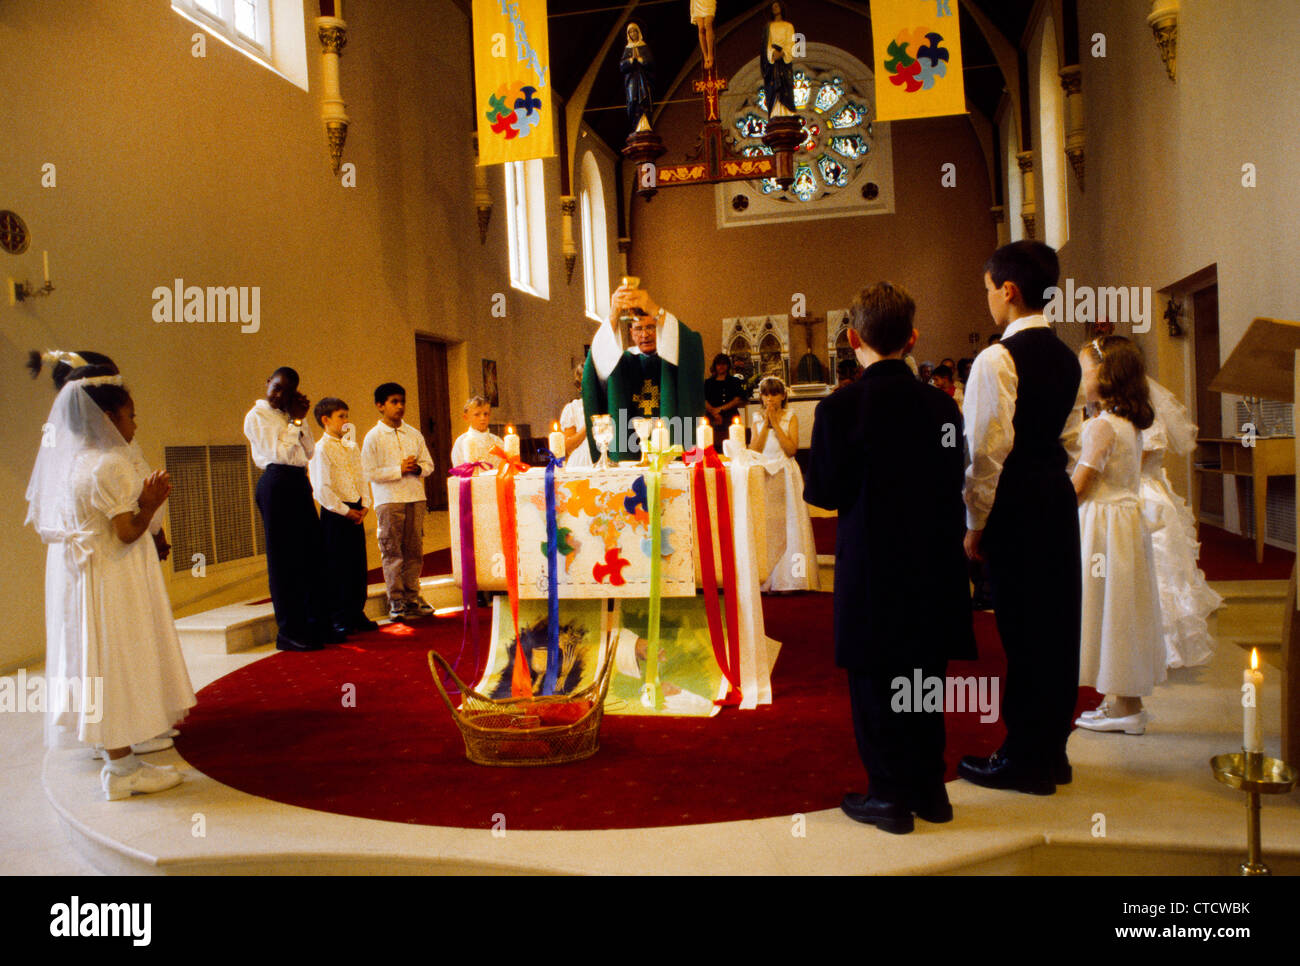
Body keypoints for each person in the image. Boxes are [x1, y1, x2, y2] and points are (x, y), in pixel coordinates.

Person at [805, 281, 974, 834]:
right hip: (932, 564)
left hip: (874, 567)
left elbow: (824, 494)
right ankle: (930, 789)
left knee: (876, 680)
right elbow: (956, 479)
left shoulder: (838, 408)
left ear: (853, 338)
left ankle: (889, 796)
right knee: (925, 674)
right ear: (914, 337)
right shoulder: (943, 406)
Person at [26, 370, 195, 800]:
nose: (134, 425)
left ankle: (118, 756)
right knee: (119, 659)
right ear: (106, 417)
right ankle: (122, 770)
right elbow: (125, 530)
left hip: (88, 578)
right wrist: (152, 502)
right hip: (116, 575)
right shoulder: (110, 463)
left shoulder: (73, 462)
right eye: (130, 416)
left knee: (98, 661)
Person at [959, 241, 1085, 795]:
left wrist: (974, 522)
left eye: (988, 290)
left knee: (1022, 629)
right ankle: (1051, 751)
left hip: (1014, 502)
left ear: (1008, 291)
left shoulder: (997, 359)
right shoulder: (1066, 355)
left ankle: (1024, 758)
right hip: (1055, 497)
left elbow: (986, 450)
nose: (987, 301)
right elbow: (1075, 439)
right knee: (1056, 627)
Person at [1072, 336, 1167, 734]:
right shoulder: (1128, 424)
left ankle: (1125, 708)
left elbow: (1080, 485)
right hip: (1125, 524)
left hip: (1103, 524)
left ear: (1106, 375)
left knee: (1106, 609)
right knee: (1122, 609)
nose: (1080, 377)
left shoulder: (1102, 427)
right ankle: (1125, 701)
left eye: (1085, 369)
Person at [245, 366, 333, 651]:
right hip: (276, 482)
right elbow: (278, 453)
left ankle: (315, 623)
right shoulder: (256, 416)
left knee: (312, 554)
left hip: (297, 482)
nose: (280, 394)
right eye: (277, 387)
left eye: (288, 391)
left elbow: (309, 451)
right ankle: (289, 631)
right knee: (284, 561)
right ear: (268, 382)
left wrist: (299, 420)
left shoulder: (290, 414)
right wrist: (295, 421)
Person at [1136, 376, 1221, 669]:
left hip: (1145, 497)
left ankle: (1162, 649)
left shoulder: (1145, 418)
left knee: (1161, 572)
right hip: (1141, 493)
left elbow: (1135, 464)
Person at [582, 283, 705, 462]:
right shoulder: (622, 362)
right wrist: (614, 314)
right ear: (631, 333)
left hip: (675, 437)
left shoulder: (673, 357)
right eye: (639, 329)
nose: (645, 334)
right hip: (628, 445)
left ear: (660, 329)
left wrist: (654, 309)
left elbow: (690, 349)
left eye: (651, 328)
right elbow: (597, 361)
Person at [362, 382, 435, 622]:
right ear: (380, 406)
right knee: (393, 552)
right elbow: (369, 471)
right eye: (394, 402)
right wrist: (397, 469)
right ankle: (396, 600)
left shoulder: (413, 433)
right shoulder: (373, 437)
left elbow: (429, 465)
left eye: (402, 401)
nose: (400, 406)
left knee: (414, 551)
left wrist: (417, 468)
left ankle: (413, 596)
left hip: (415, 497)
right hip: (389, 500)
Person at [309, 397, 378, 638]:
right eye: (341, 417)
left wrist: (365, 503)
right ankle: (339, 615)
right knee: (337, 566)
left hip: (355, 509)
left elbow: (361, 476)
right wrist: (345, 510)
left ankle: (355, 611)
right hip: (336, 513)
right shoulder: (320, 449)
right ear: (326, 420)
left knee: (356, 565)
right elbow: (321, 488)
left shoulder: (351, 446)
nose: (347, 421)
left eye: (347, 416)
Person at [749, 376, 820, 592]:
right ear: (761, 397)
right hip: (764, 472)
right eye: (766, 394)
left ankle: (792, 579)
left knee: (790, 524)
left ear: (782, 396)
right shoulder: (756, 418)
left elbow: (791, 449)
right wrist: (765, 424)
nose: (770, 398)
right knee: (767, 525)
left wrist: (777, 425)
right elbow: (754, 450)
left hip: (785, 472)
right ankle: (767, 579)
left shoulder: (791, 416)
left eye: (774, 394)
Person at [703, 353, 746, 453]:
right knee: (710, 445)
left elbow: (738, 399)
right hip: (711, 418)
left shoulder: (734, 381)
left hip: (730, 417)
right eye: (718, 364)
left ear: (728, 366)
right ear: (715, 366)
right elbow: (704, 400)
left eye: (724, 364)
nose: (721, 366)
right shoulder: (708, 382)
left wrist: (720, 409)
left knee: (733, 444)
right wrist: (714, 413)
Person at [450, 395, 504, 469]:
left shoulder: (497, 441)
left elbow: (503, 466)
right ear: (466, 417)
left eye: (486, 414)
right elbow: (459, 468)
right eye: (477, 414)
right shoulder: (461, 442)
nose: (483, 418)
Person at [762, 2, 797, 117]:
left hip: (784, 60)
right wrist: (772, 53)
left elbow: (791, 42)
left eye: (777, 6)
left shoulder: (788, 26)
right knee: (773, 85)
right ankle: (775, 112)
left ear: (782, 8)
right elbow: (766, 44)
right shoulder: (769, 26)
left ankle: (787, 111)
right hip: (772, 60)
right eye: (773, 7)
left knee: (785, 85)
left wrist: (782, 53)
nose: (775, 9)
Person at [620, 23, 655, 131]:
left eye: (634, 31)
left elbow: (650, 62)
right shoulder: (627, 49)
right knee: (633, 101)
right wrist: (630, 60)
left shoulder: (643, 46)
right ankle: (636, 126)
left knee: (644, 100)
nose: (633, 34)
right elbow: (622, 66)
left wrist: (640, 60)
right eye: (630, 32)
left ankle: (645, 124)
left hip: (643, 79)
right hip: (632, 81)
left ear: (638, 32)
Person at [559, 367, 592, 468]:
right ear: (580, 387)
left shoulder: (612, 405)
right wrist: (588, 424)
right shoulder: (573, 408)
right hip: (581, 463)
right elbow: (567, 447)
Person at [690, 0, 717, 69]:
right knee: (701, 28)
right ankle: (705, 56)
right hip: (697, 3)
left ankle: (710, 55)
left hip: (708, 2)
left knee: (708, 24)